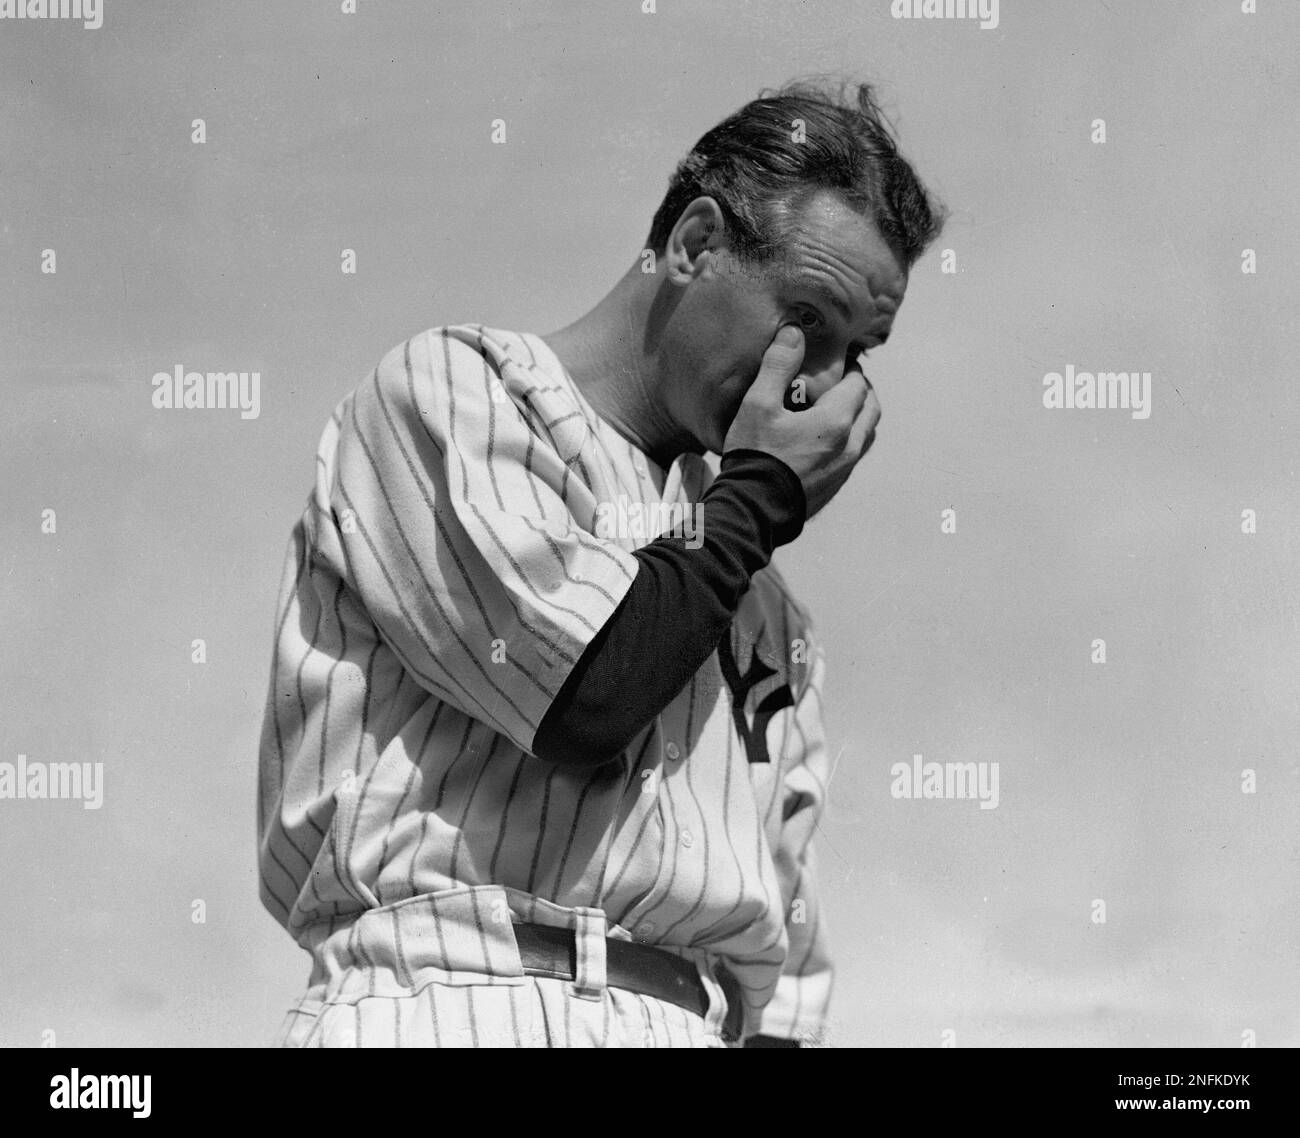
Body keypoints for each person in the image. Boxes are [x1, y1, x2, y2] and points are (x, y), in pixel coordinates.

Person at [257, 78, 944, 1047]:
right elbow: (585, 699)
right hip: (456, 990)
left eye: (857, 351)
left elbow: (787, 966)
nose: (820, 385)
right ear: (696, 244)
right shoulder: (458, 395)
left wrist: (745, 516)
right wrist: (755, 503)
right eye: (808, 322)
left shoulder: (767, 610)